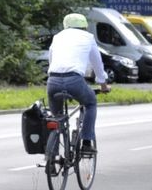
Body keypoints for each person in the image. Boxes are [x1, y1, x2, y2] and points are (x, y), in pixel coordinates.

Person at [46, 13, 110, 153]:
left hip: (53, 81)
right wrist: (103, 84)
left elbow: (51, 59)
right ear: (84, 27)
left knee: (56, 117)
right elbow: (97, 63)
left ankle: (52, 156)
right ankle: (86, 142)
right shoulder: (88, 37)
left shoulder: (58, 37)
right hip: (74, 80)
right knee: (90, 103)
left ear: (66, 25)